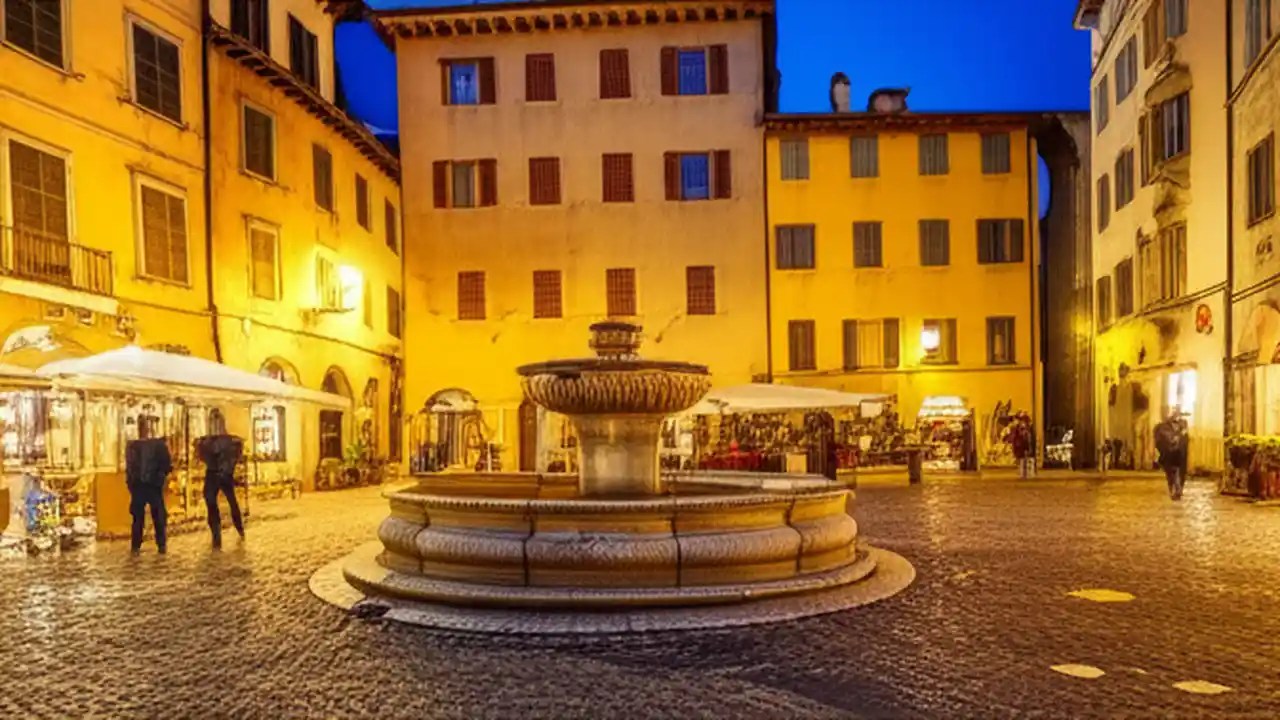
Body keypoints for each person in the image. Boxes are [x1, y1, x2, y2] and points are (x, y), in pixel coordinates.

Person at [197, 409, 245, 550]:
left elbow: (204, 456)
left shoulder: (214, 441)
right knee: (223, 500)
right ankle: (227, 529)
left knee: (220, 500)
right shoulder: (226, 441)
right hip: (221, 473)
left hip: (218, 473)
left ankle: (221, 531)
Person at [125, 416, 171, 554]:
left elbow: (165, 464)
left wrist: (159, 477)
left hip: (150, 485)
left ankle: (157, 543)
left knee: (154, 515)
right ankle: (139, 544)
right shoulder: (134, 445)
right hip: (143, 485)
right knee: (141, 517)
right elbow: (130, 465)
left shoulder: (153, 445)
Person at [1154, 410, 1187, 500]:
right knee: (1172, 474)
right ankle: (1174, 490)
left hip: (1178, 455)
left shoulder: (1181, 430)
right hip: (1169, 455)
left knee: (1176, 473)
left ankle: (1177, 490)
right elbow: (1163, 441)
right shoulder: (1163, 428)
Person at [1006, 413, 1034, 479]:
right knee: (1022, 459)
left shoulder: (1021, 426)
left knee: (1023, 459)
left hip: (1021, 444)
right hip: (1021, 444)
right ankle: (1024, 473)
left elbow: (1023, 435)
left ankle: (1024, 473)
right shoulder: (1021, 426)